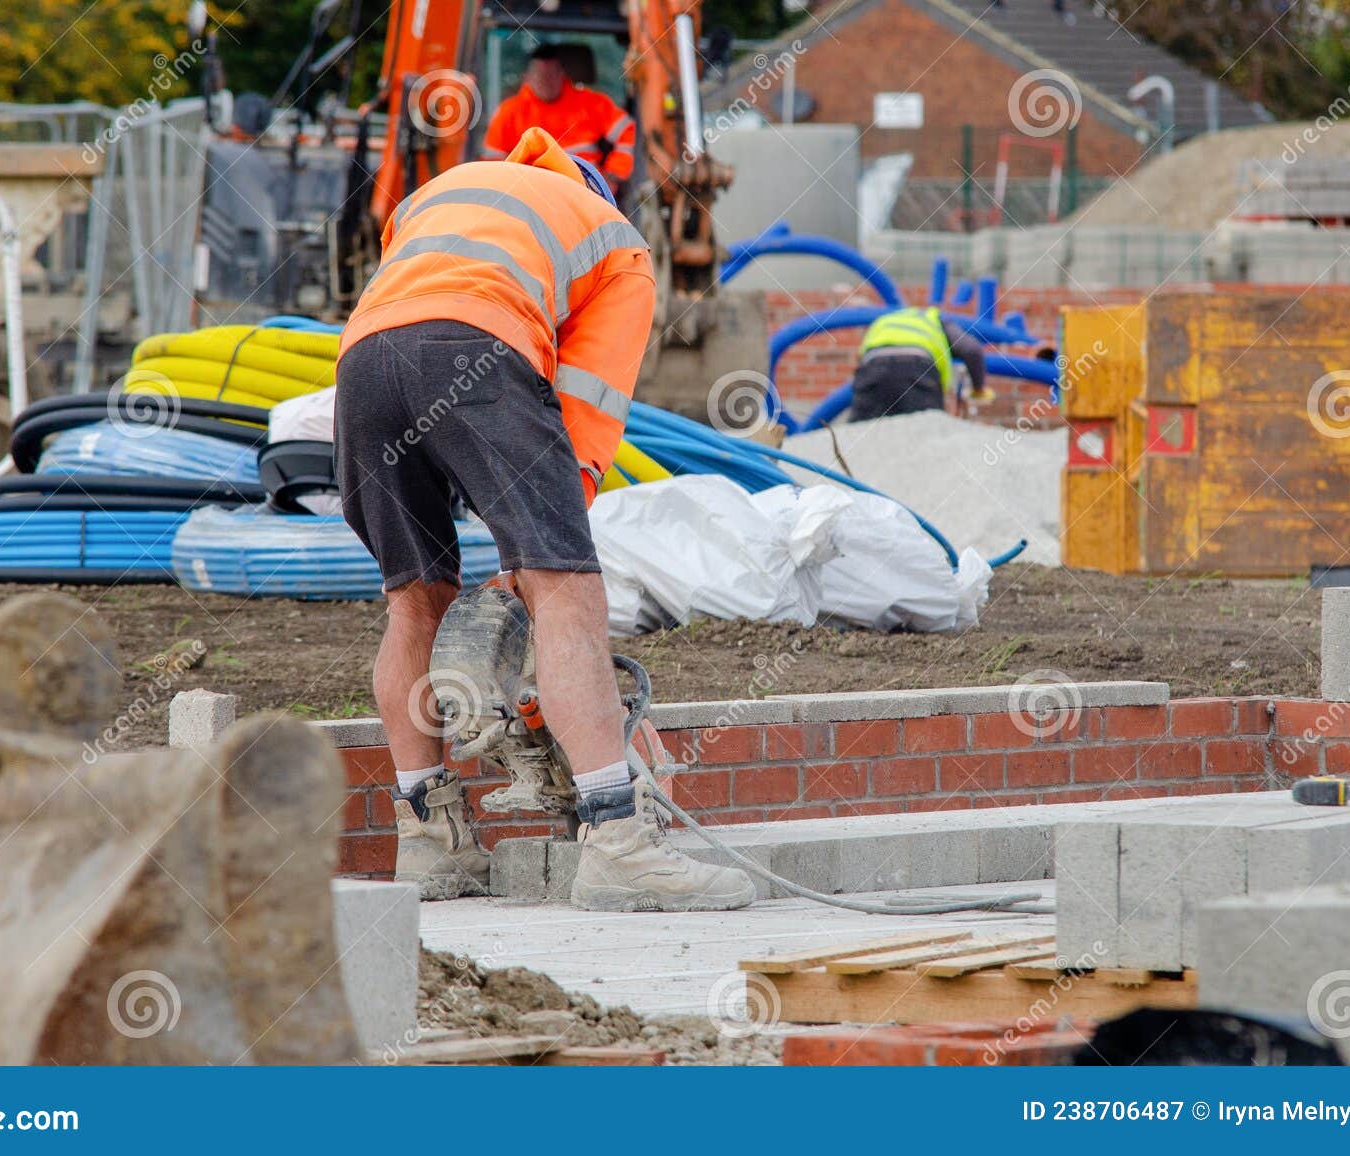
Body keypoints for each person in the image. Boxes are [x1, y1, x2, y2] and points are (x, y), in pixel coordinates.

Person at [334, 128, 754, 913]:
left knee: (413, 601)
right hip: (476, 345)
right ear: (599, 191)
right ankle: (619, 843)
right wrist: (537, 563)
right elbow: (584, 413)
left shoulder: (448, 190)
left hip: (360, 363)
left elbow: (412, 314)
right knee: (570, 594)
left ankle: (430, 840)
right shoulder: (617, 243)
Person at [484, 44, 635, 191]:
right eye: (540, 74)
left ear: (562, 75)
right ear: (527, 77)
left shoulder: (592, 104)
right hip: (530, 195)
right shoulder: (509, 112)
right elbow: (492, 164)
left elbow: (629, 132)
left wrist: (612, 176)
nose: (546, 80)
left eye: (552, 74)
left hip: (584, 192)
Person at [848, 306, 989, 422]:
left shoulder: (885, 321)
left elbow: (858, 360)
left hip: (873, 368)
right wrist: (979, 390)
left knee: (861, 431)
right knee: (925, 432)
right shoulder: (937, 321)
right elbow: (972, 350)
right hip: (918, 370)